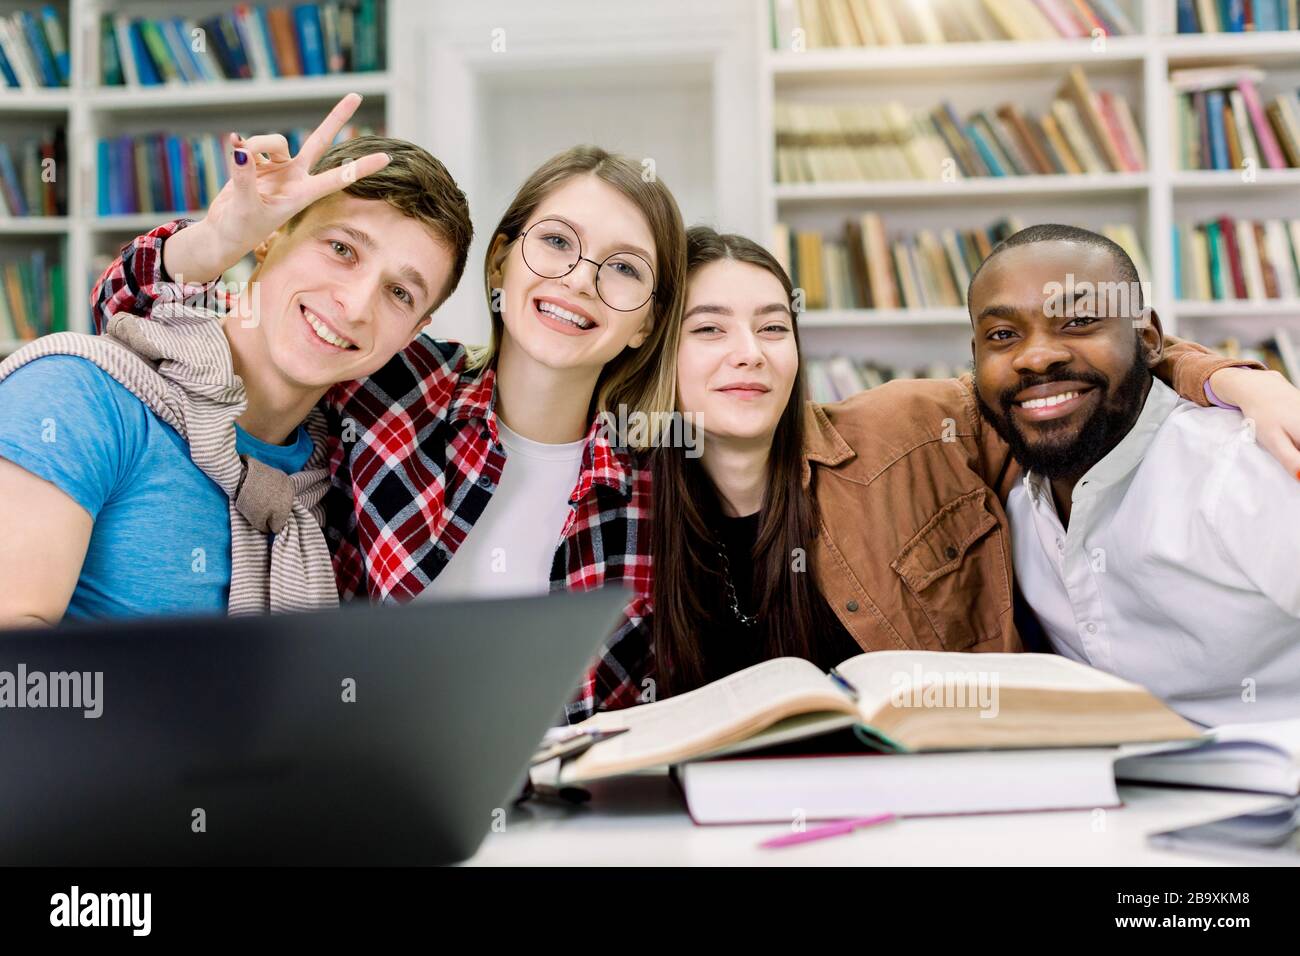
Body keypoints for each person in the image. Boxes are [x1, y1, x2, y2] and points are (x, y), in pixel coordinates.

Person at [574, 226, 1300, 714]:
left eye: (772, 326)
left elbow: (1057, 384)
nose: (750, 353)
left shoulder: (909, 432)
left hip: (947, 814)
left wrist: (1233, 381)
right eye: (708, 329)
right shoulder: (617, 505)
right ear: (656, 351)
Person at [0, 95, 472, 626]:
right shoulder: (76, 392)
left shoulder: (342, 488)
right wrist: (211, 240)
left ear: (413, 333)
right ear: (270, 237)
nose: (357, 305)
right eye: (342, 249)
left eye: (400, 294)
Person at [970, 223, 1300, 726]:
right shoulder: (1007, 495)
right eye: (1002, 334)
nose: (1036, 356)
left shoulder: (1242, 470)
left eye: (1078, 321)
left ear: (1147, 340)